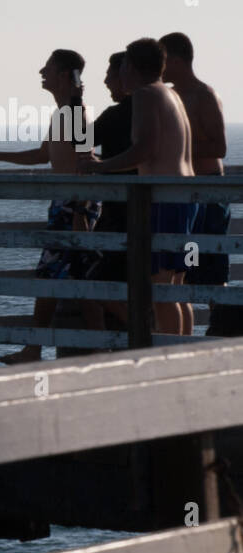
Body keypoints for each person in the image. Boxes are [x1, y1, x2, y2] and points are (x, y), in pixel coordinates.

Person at [0, 49, 96, 363]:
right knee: (70, 278)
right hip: (67, 204)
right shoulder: (64, 113)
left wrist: (81, 209)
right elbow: (45, 155)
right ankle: (53, 347)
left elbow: (85, 163)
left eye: (49, 67)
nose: (42, 71)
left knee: (68, 277)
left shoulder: (75, 113)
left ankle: (43, 348)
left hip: (74, 206)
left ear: (65, 75)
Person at [80, 38, 195, 335]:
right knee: (175, 289)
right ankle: (182, 356)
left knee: (160, 290)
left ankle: (168, 361)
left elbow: (144, 148)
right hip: (184, 197)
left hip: (163, 199)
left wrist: (99, 166)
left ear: (130, 67)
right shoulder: (170, 95)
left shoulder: (144, 95)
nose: (113, 78)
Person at [162, 32, 230, 332]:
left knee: (210, 270)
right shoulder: (167, 97)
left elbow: (219, 147)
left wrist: (179, 149)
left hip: (206, 191)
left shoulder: (202, 95)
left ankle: (224, 332)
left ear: (176, 59)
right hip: (182, 194)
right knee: (181, 272)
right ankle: (183, 341)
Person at [77, 52, 135, 333]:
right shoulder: (159, 109)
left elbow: (80, 139)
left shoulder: (118, 114)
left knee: (94, 281)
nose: (105, 81)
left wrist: (75, 101)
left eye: (110, 75)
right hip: (149, 211)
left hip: (119, 213)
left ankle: (141, 330)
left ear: (126, 77)